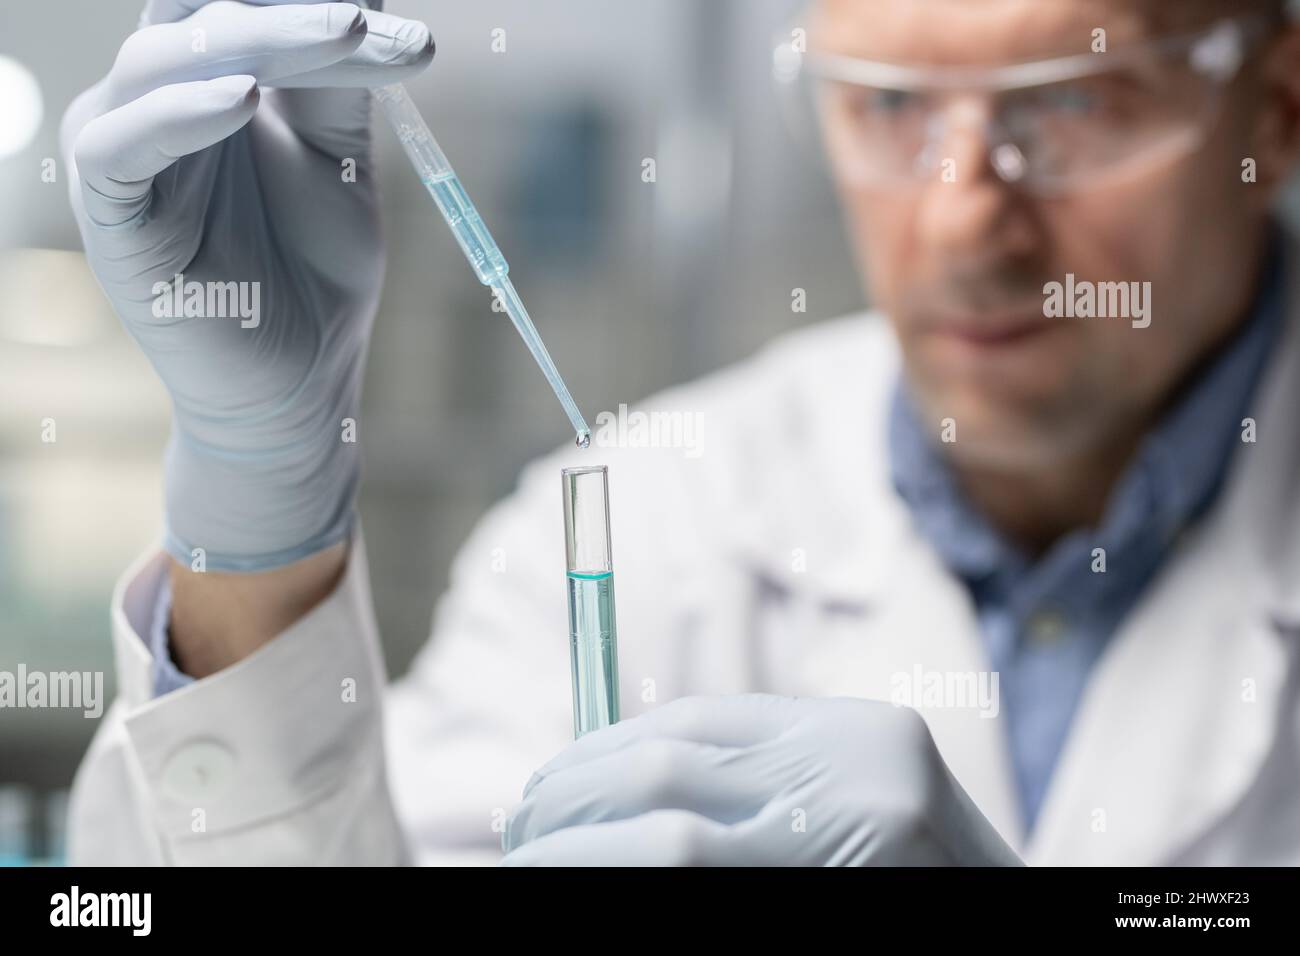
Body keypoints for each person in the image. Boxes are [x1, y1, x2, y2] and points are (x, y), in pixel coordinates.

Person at [63, 0, 1300, 866]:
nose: (962, 221)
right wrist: (258, 502)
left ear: (1275, 107)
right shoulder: (648, 514)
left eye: (1068, 101)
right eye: (885, 105)